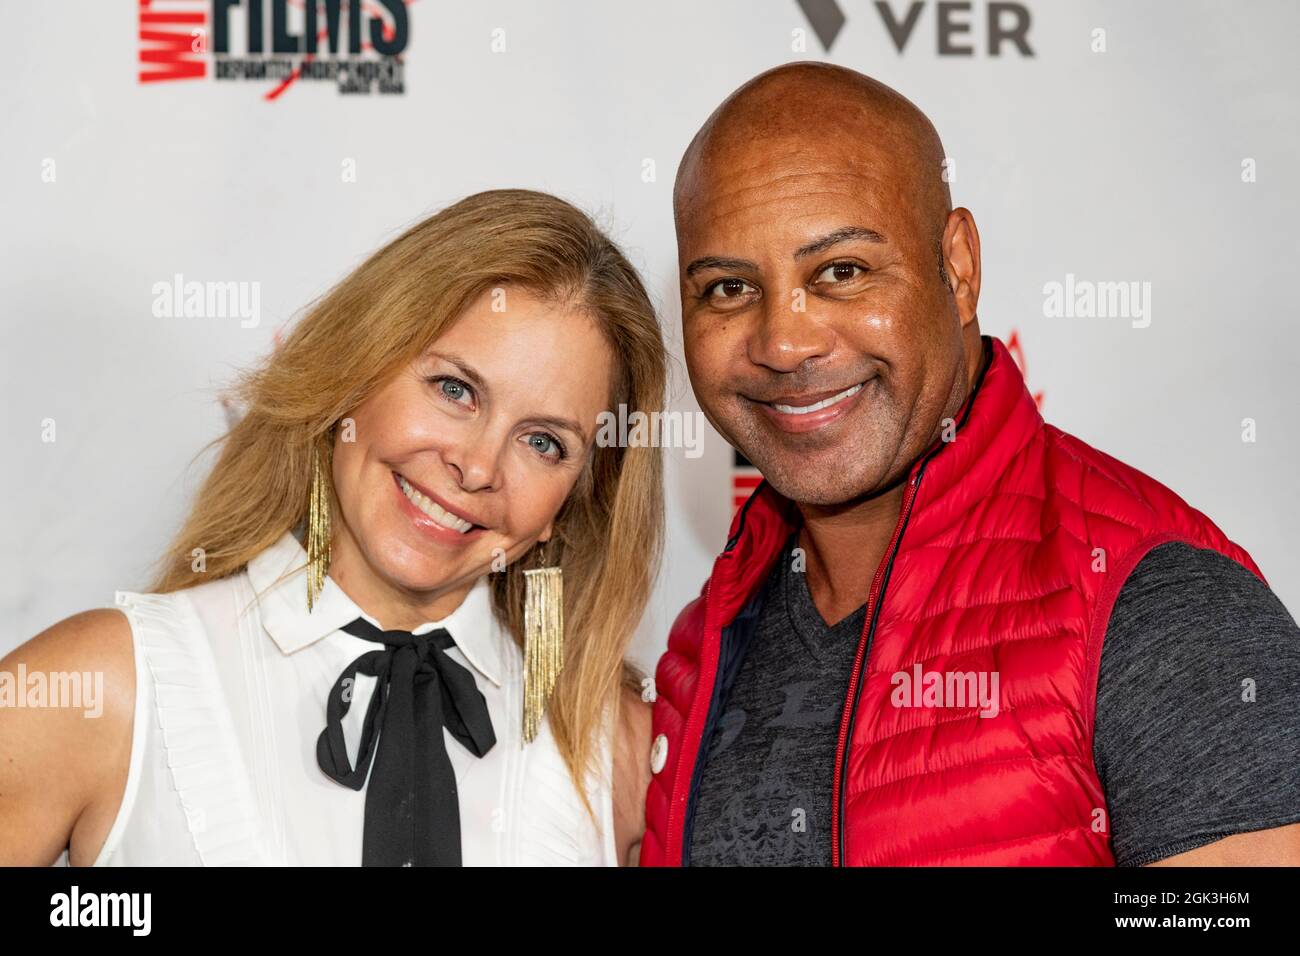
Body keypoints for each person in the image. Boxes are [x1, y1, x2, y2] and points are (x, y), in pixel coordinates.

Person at [640, 63, 1300, 866]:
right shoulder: (701, 648)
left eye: (841, 271)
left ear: (957, 268)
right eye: (730, 288)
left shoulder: (1161, 609)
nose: (784, 342)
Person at [0, 189, 662, 867]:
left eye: (544, 442)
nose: (475, 466)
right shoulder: (102, 688)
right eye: (454, 389)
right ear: (355, 374)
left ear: (574, 503)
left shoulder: (620, 749)